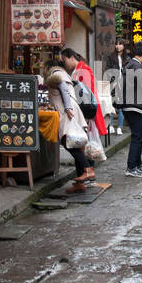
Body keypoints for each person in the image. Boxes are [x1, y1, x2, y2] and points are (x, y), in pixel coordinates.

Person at [44, 59, 95, 190]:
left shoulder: (56, 74)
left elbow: (63, 89)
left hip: (67, 113)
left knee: (68, 142)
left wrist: (67, 108)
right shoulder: (65, 74)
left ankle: (88, 170)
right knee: (77, 144)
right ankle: (80, 184)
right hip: (73, 110)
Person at [61, 47, 107, 163]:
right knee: (84, 145)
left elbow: (86, 94)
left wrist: (85, 116)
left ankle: (87, 172)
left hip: (86, 113)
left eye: (64, 60)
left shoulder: (83, 70)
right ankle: (86, 172)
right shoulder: (79, 69)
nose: (64, 63)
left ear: (71, 58)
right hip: (83, 112)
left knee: (87, 146)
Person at [121, 41, 142, 177]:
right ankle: (131, 166)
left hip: (129, 104)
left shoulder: (129, 64)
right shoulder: (136, 66)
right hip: (133, 105)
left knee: (139, 135)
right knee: (137, 136)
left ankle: (138, 164)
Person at [108, 39, 129, 135]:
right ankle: (111, 125)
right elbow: (108, 70)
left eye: (120, 44)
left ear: (123, 46)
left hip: (123, 84)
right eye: (116, 44)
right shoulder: (111, 57)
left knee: (121, 107)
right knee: (112, 104)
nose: (118, 46)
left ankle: (119, 127)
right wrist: (113, 81)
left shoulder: (127, 58)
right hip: (113, 84)